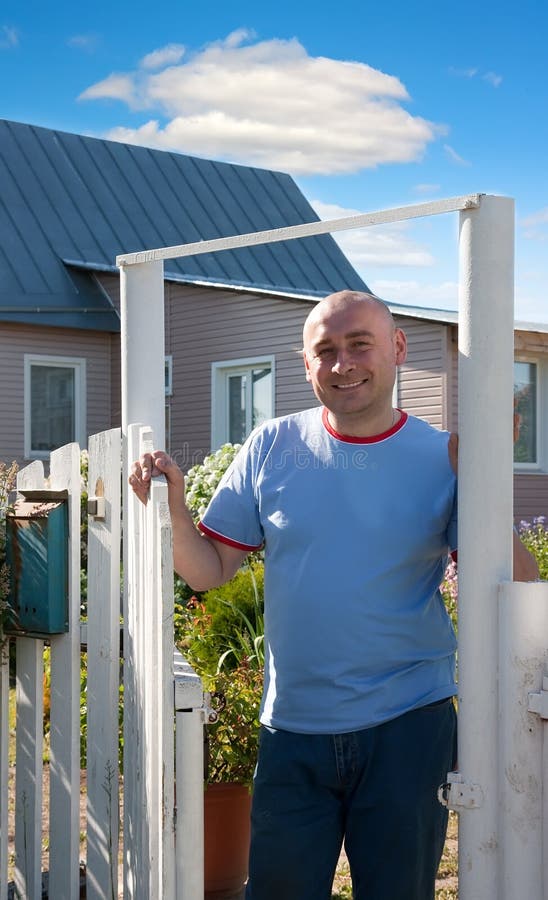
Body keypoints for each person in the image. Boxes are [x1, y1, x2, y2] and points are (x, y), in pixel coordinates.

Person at [130, 290, 539, 900]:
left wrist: (484, 483)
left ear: (396, 349)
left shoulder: (441, 457)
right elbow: (209, 571)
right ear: (305, 363)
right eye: (325, 351)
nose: (343, 364)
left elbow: (520, 586)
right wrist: (175, 511)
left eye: (359, 345)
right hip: (292, 729)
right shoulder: (271, 446)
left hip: (407, 726)